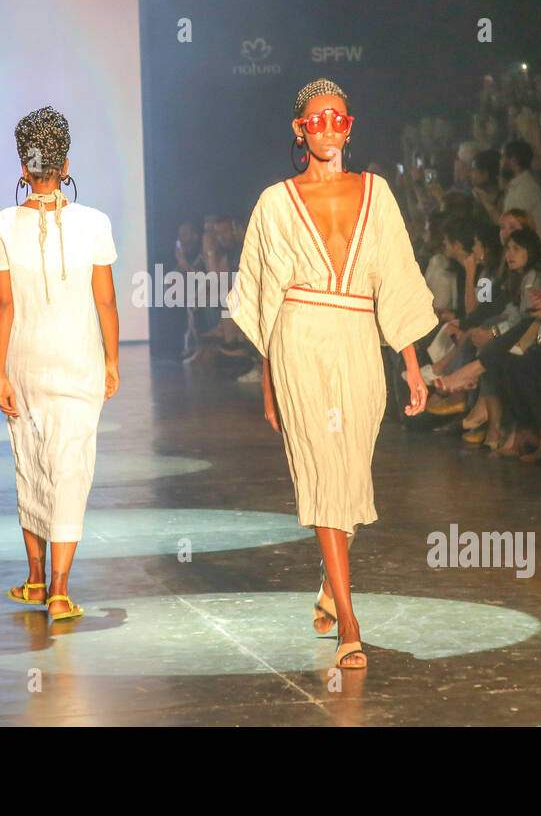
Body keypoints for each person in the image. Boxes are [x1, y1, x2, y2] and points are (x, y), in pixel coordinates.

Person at [227, 79, 437, 670]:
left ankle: (328, 584)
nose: (327, 128)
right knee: (322, 475)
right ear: (299, 130)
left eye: (337, 120)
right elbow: (265, 298)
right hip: (299, 341)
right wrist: (270, 381)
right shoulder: (274, 201)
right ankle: (349, 620)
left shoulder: (378, 192)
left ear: (350, 127)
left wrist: (412, 366)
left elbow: (396, 278)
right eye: (315, 120)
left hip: (359, 340)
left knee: (351, 474)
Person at [0, 106, 120, 620]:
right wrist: (112, 359)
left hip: (24, 361)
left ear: (25, 168)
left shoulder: (0, 225)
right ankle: (61, 590)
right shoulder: (95, 223)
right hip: (79, 360)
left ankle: (36, 579)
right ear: (65, 165)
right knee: (71, 467)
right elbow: (105, 301)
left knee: (30, 460)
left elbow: (3, 305)